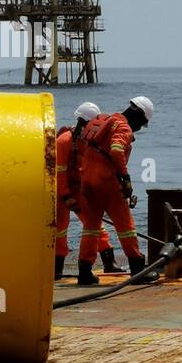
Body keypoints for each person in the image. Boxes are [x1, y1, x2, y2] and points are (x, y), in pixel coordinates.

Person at [76, 96, 155, 286]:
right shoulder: (123, 128)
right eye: (142, 124)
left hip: (87, 180)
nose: (139, 129)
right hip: (107, 183)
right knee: (126, 227)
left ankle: (84, 272)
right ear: (138, 116)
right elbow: (117, 150)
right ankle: (137, 269)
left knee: (91, 228)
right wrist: (125, 178)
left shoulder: (104, 120)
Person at [54, 103, 122, 279]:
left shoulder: (91, 141)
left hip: (80, 189)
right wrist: (67, 196)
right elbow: (59, 173)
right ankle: (57, 267)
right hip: (60, 190)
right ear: (80, 122)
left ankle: (109, 262)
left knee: (95, 225)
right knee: (60, 228)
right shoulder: (63, 141)